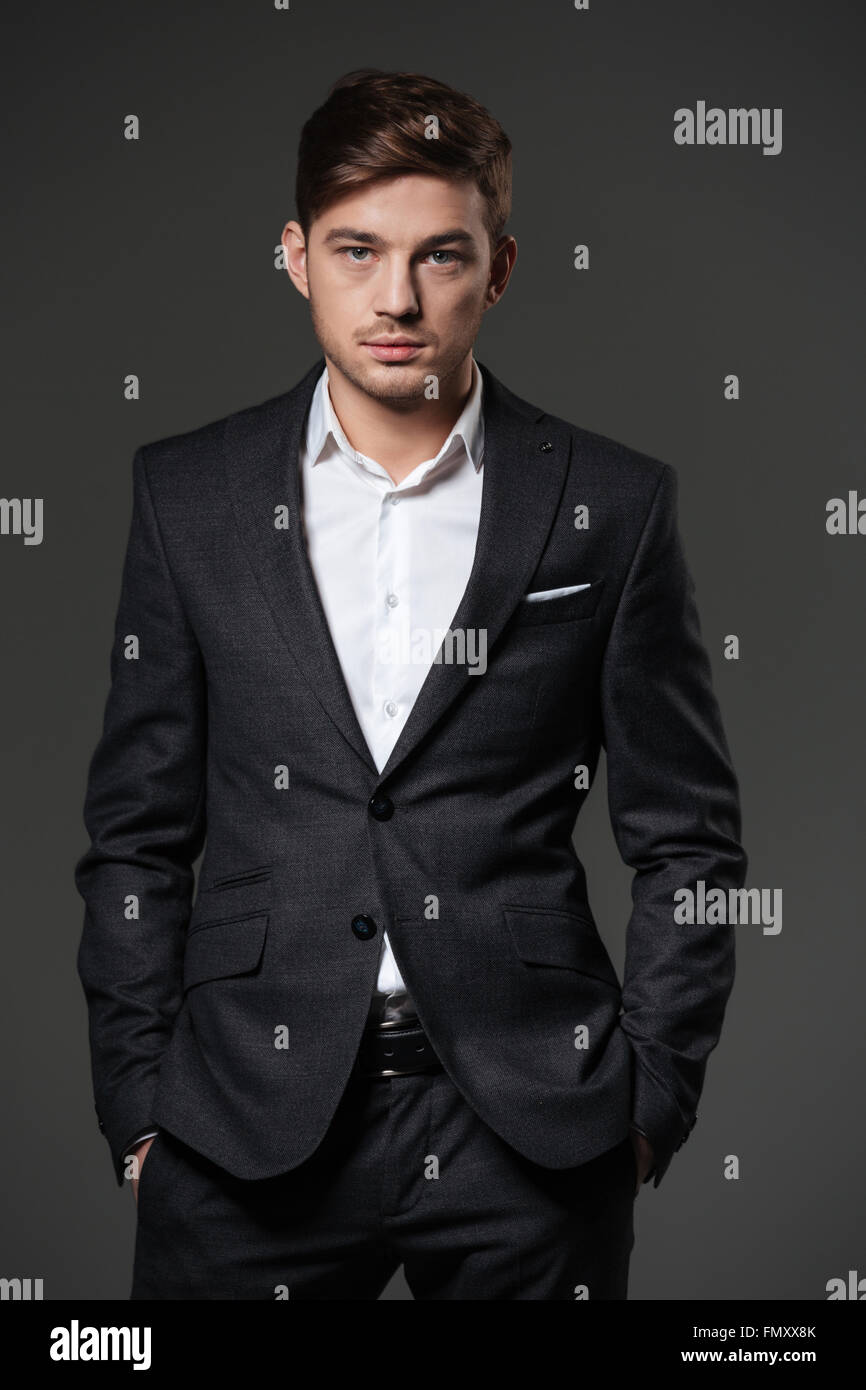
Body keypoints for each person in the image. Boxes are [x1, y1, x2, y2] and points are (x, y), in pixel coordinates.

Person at [75, 68, 747, 1300]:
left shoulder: (610, 504)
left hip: (529, 1126)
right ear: (293, 256)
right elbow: (135, 833)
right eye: (354, 249)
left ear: (496, 268)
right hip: (239, 1123)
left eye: (439, 255)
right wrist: (136, 1104)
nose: (395, 298)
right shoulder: (189, 494)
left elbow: (689, 841)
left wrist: (648, 1101)